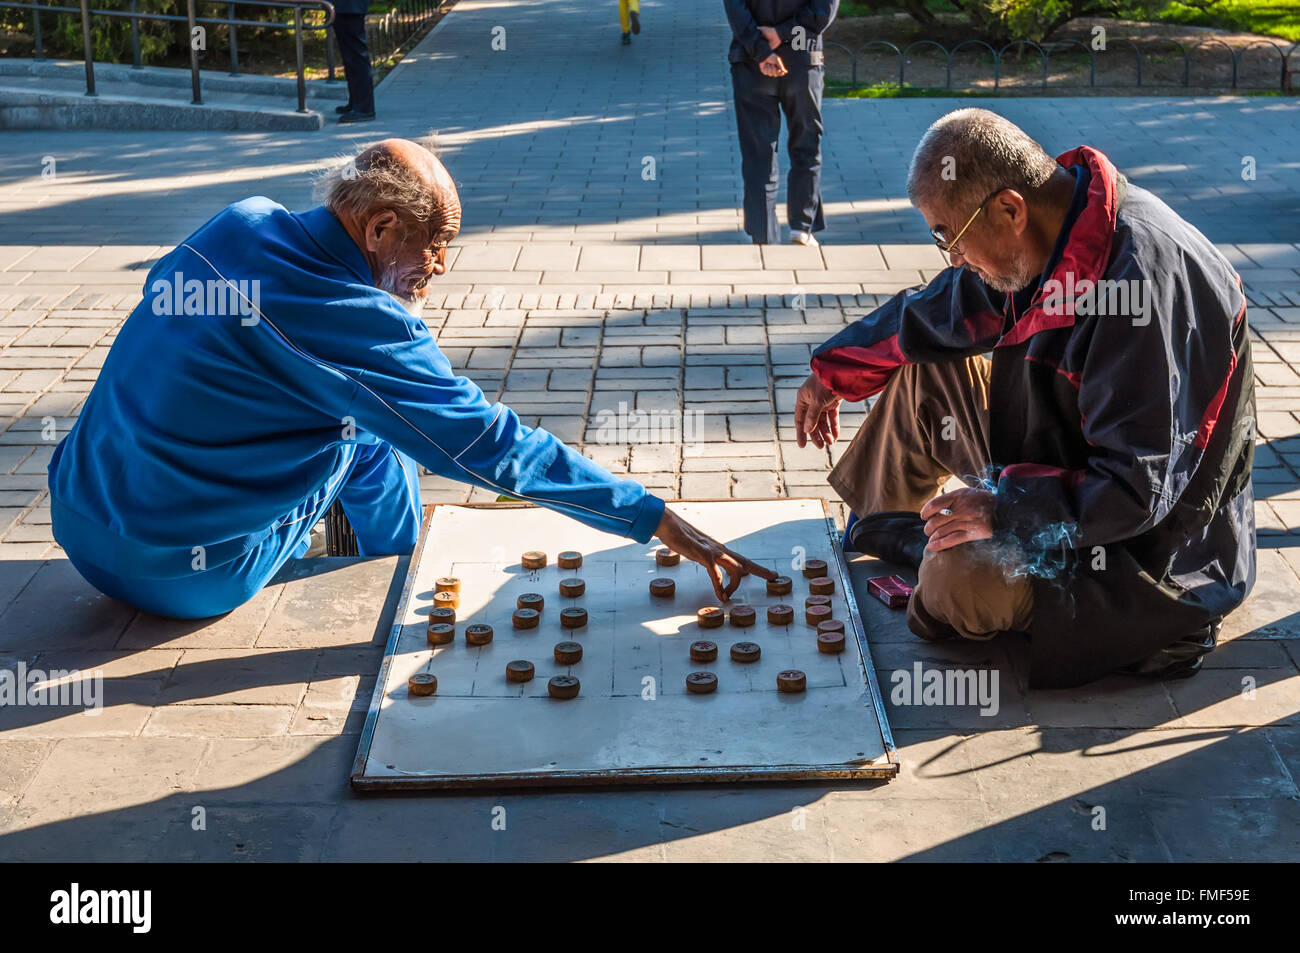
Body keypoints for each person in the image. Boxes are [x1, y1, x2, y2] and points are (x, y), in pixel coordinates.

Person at [48, 139, 774, 619]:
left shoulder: (241, 220)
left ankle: (374, 554)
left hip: (76, 515)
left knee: (325, 403)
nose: (442, 266)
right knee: (367, 425)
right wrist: (656, 518)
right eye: (440, 243)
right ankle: (391, 577)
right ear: (382, 228)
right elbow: (488, 444)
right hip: (183, 574)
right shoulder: (357, 322)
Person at [793, 108, 1255, 687]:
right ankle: (875, 539)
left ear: (1010, 208)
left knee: (961, 581)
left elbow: (1136, 491)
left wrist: (1002, 509)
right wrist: (834, 370)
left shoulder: (1140, 292)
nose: (953, 256)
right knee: (923, 370)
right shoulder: (1058, 223)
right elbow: (942, 310)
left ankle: (924, 559)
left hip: (1144, 556)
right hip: (1060, 465)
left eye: (950, 236)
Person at [723, 0, 839, 245]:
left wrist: (762, 48)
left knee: (758, 153)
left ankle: (762, 233)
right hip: (802, 61)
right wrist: (781, 35)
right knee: (806, 144)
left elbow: (736, 9)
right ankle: (802, 226)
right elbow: (822, 12)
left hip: (749, 62)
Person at [332, 0, 376, 123]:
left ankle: (364, 108)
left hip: (350, 6)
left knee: (357, 57)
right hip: (345, 7)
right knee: (350, 58)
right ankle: (356, 102)